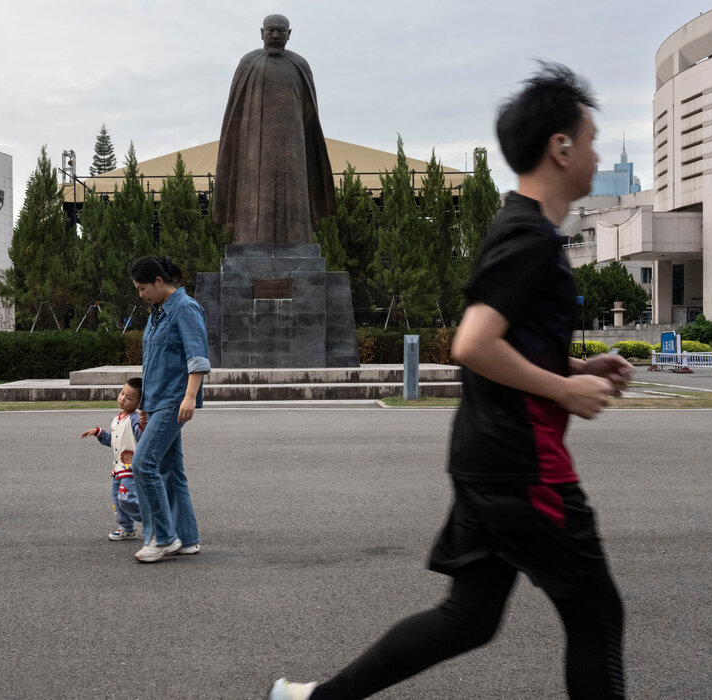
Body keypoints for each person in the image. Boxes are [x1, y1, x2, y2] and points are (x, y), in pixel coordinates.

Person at [271, 63, 633, 700]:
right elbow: (473, 344)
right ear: (561, 147)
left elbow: (511, 343)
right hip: (525, 468)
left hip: (487, 458)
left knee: (469, 618)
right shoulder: (529, 237)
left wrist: (578, 367)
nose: (597, 153)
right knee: (597, 616)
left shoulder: (524, 230)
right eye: (592, 139)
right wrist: (564, 391)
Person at [212, 14, 335, 246]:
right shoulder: (248, 64)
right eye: (271, 31)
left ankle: (298, 244)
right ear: (261, 33)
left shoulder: (300, 65)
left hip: (294, 145)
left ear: (289, 34)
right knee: (255, 198)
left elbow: (310, 114)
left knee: (295, 196)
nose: (276, 36)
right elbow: (234, 115)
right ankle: (250, 244)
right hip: (253, 147)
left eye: (281, 31)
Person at [129, 256, 210, 563]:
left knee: (143, 464)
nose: (141, 294)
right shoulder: (157, 313)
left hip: (174, 401)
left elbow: (197, 358)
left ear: (160, 282)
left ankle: (163, 538)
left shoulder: (186, 309)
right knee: (171, 470)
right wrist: (144, 404)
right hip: (157, 401)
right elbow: (151, 363)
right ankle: (187, 539)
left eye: (143, 288)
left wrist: (189, 398)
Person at [80, 377, 144, 541]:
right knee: (117, 501)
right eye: (122, 393)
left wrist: (144, 424)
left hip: (131, 469)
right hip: (118, 469)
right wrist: (99, 432)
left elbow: (142, 436)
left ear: (139, 403)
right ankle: (126, 528)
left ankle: (152, 519)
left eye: (129, 398)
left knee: (126, 498)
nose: (122, 398)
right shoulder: (116, 419)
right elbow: (115, 442)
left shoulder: (135, 418)